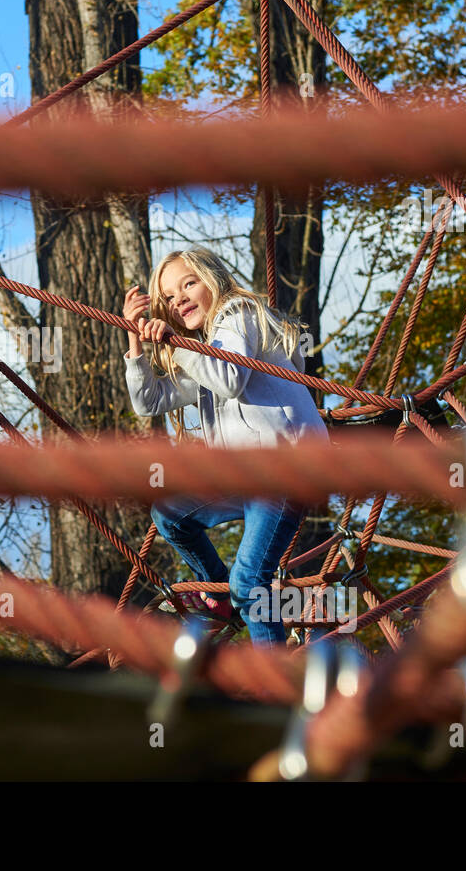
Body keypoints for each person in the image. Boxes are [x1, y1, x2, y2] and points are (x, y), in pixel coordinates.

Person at [122, 247, 329, 647]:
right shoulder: (203, 347)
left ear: (213, 281)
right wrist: (135, 340)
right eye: (167, 296)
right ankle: (218, 597)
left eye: (188, 284)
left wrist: (176, 344)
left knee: (251, 579)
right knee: (170, 515)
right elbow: (150, 401)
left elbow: (229, 378)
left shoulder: (238, 316)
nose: (178, 298)